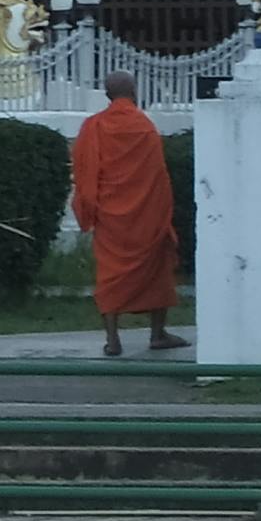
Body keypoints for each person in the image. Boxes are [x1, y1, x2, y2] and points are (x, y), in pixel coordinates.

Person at [72, 79, 182, 356]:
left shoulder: (94, 127)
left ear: (107, 95)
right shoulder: (143, 125)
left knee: (110, 274)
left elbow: (86, 172)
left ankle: (113, 339)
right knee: (157, 267)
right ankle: (157, 333)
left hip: (111, 216)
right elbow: (158, 176)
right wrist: (160, 210)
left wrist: (90, 207)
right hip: (147, 215)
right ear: (133, 92)